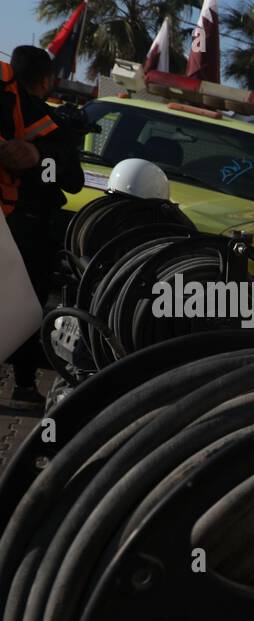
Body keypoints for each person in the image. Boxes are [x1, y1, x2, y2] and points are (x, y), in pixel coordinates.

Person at [1, 46, 83, 404]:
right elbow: (70, 181)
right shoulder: (50, 125)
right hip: (28, 228)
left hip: (15, 221)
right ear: (47, 80)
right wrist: (40, 163)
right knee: (26, 305)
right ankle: (22, 384)